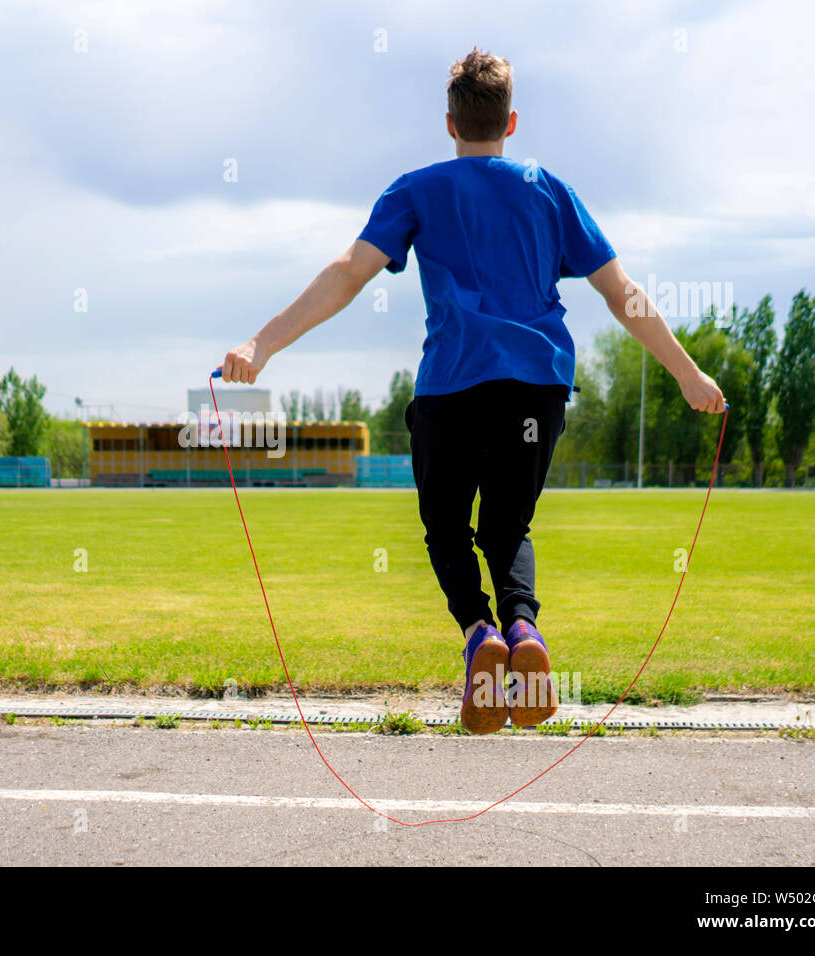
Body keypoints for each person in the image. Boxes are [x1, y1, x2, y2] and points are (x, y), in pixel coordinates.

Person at [220, 47, 726, 734]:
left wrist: (262, 344)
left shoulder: (418, 190)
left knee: (446, 531)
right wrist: (686, 372)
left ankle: (478, 632)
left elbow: (348, 272)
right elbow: (622, 294)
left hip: (453, 388)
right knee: (508, 528)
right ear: (509, 121)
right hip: (534, 390)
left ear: (449, 123)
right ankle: (525, 635)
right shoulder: (549, 189)